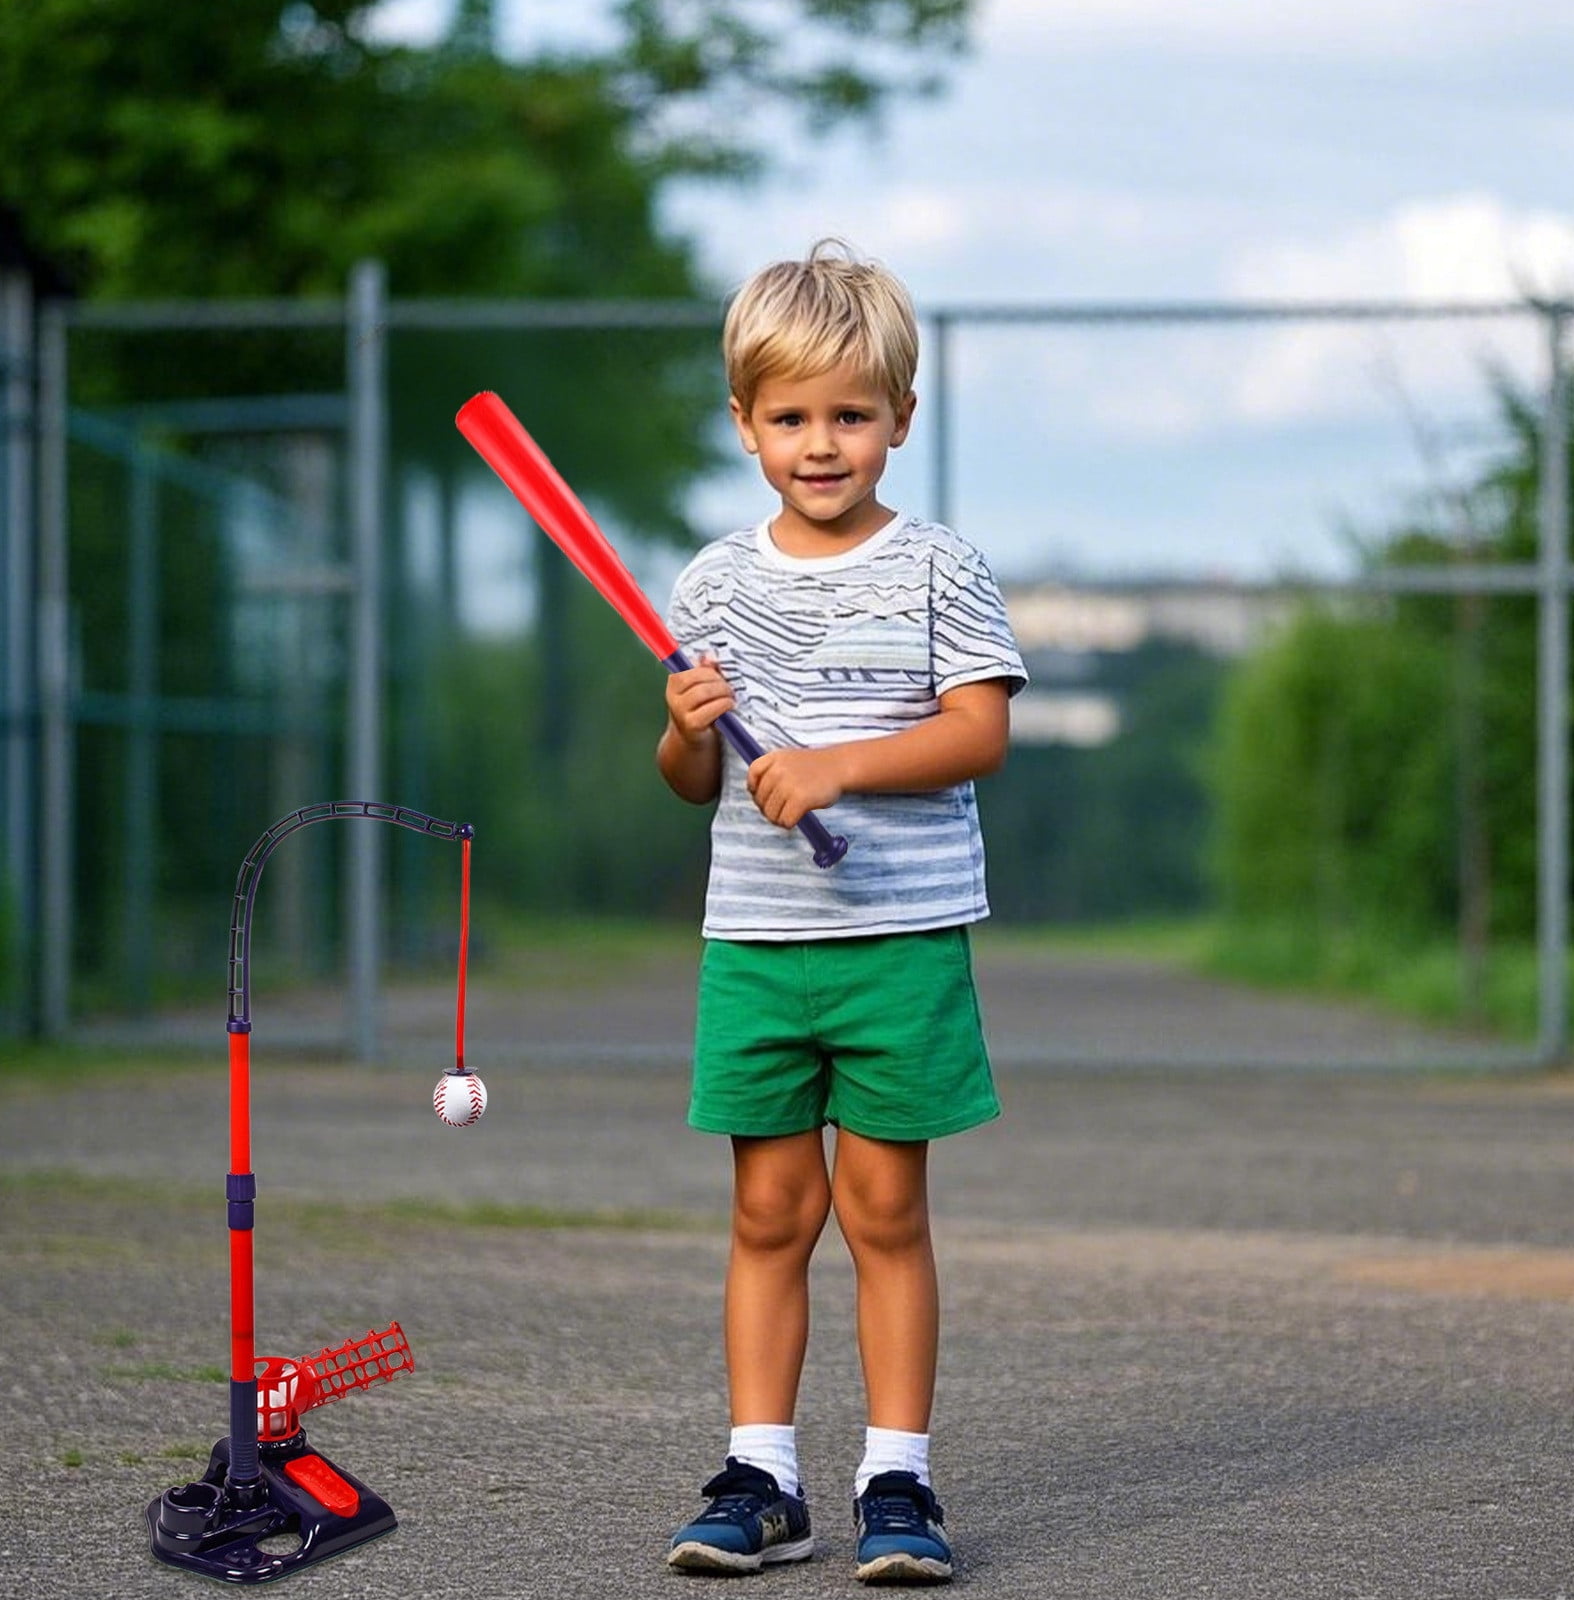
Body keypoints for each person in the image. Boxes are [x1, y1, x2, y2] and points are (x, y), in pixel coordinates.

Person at [656, 239, 1027, 1585]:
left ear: (900, 421)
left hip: (897, 947)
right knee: (767, 1215)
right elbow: (694, 781)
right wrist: (687, 730)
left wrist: (839, 765)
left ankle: (898, 1482)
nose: (823, 443)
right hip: (757, 950)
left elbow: (977, 733)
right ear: (748, 425)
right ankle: (762, 1475)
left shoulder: (940, 569)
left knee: (883, 1210)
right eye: (793, 416)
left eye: (851, 415)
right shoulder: (711, 584)